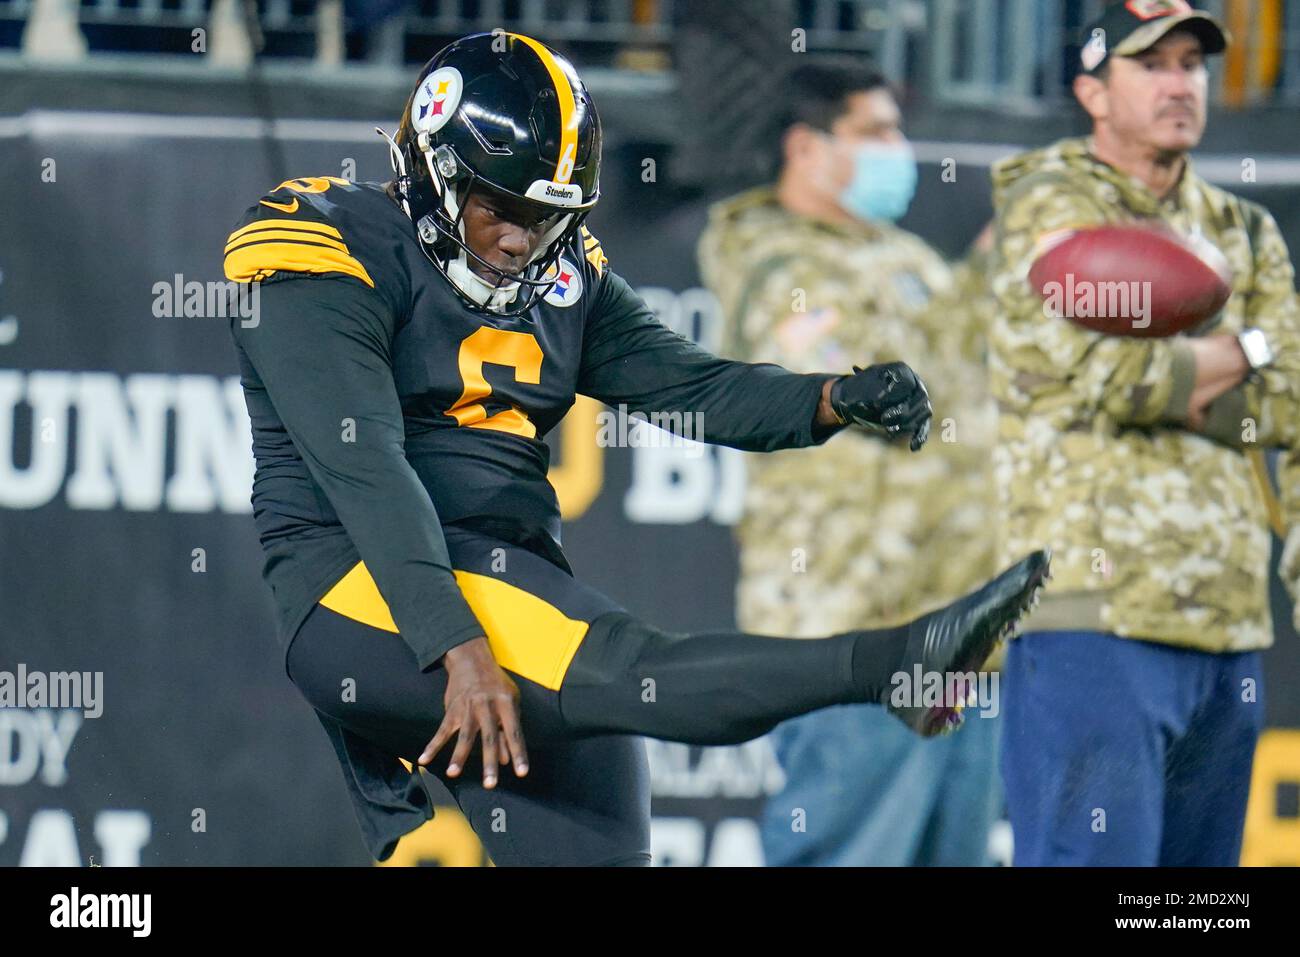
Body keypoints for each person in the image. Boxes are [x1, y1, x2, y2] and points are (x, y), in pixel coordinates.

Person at [224, 31, 1049, 866]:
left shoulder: (562, 275)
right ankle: (890, 664)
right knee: (635, 668)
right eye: (502, 209)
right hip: (360, 582)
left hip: (507, 578)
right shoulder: (327, 240)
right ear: (434, 171)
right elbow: (362, 461)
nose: (520, 240)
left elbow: (690, 386)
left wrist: (829, 397)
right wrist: (451, 640)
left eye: (546, 217)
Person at [988, 1, 1300, 866]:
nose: (1180, 84)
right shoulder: (1042, 203)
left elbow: (1287, 405)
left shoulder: (1246, 230)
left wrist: (1206, 370)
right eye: (1152, 64)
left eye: (1192, 64)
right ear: (1092, 90)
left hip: (1228, 617)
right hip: (1095, 610)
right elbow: (1101, 375)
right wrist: (1248, 351)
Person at [698, 60, 1005, 866]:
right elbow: (876, 397)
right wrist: (992, 273)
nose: (896, 149)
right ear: (806, 146)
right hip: (853, 627)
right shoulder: (780, 269)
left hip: (957, 622)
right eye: (874, 132)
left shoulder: (904, 257)